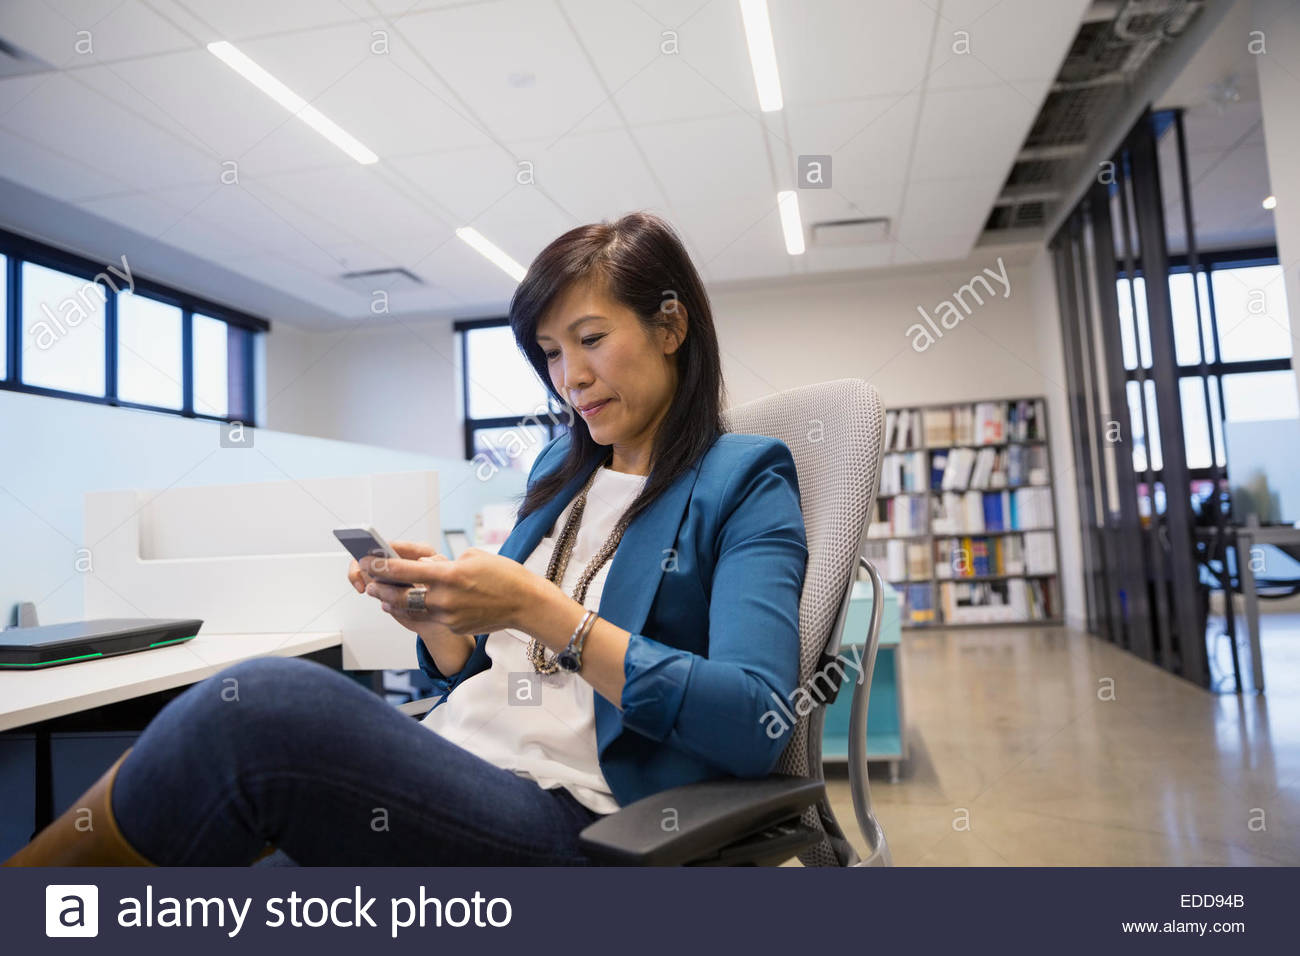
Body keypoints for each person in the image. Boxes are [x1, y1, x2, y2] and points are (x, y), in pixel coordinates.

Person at [3, 211, 808, 866]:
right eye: (552, 353)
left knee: (263, 709)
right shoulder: (562, 471)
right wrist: (440, 624)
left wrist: (542, 611)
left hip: (578, 817)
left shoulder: (743, 481)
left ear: (671, 327)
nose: (570, 378)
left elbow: (756, 719)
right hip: (461, 761)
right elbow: (480, 678)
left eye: (592, 340)